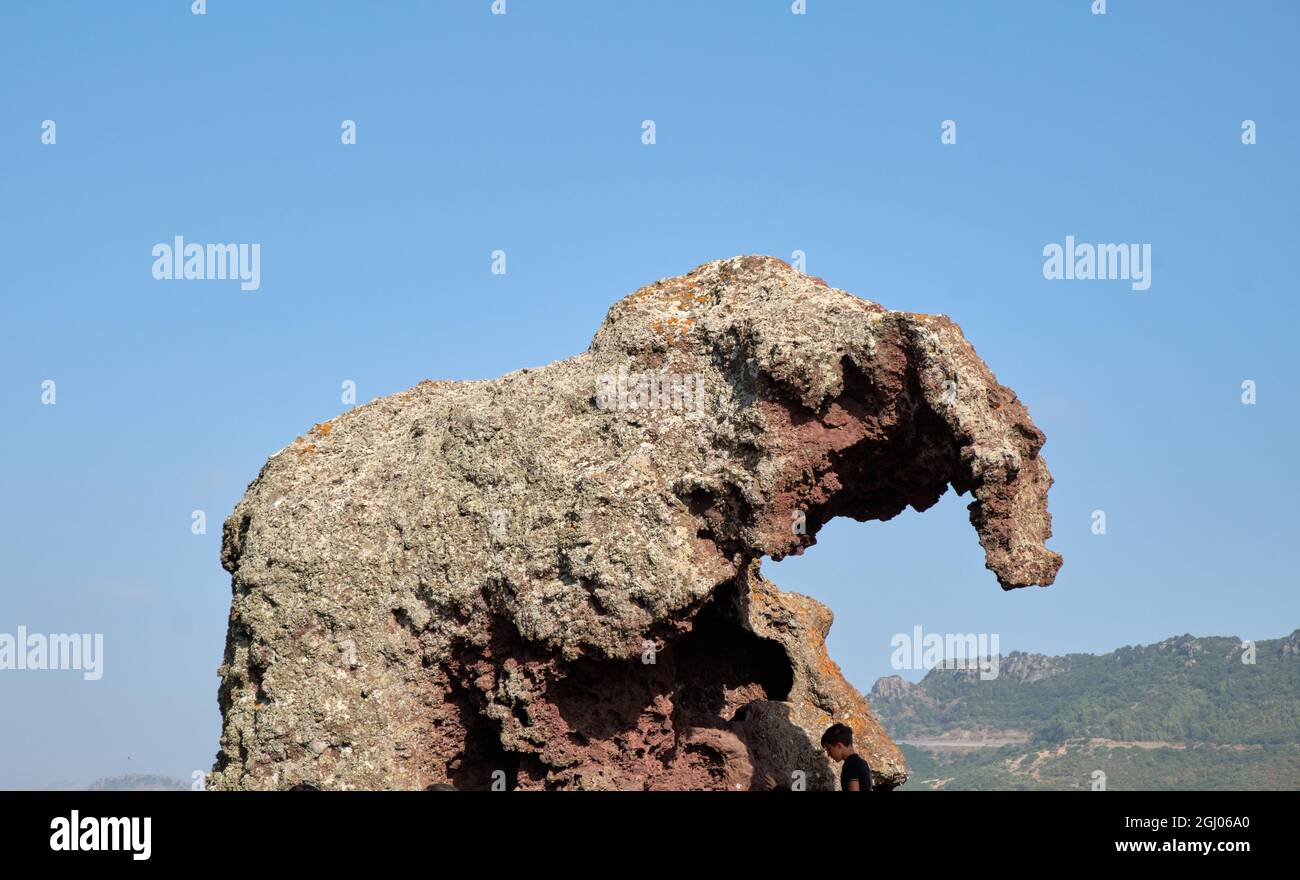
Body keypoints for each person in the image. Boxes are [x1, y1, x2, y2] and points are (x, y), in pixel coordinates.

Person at [821, 723, 874, 791]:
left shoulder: (850, 765)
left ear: (839, 746)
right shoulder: (863, 763)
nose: (828, 754)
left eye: (829, 749)